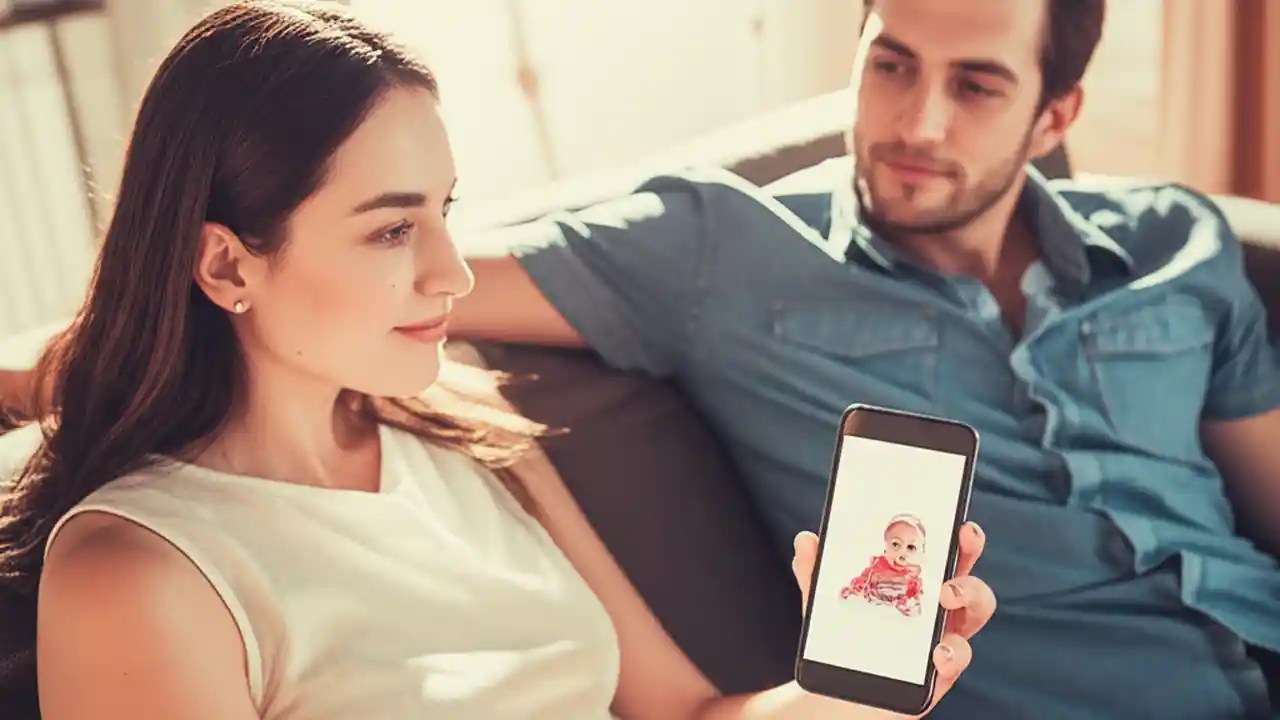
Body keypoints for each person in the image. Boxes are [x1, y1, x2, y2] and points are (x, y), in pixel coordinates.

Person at [0, 3, 1000, 719]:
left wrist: (846, 690)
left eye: (445, 213)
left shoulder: (471, 432)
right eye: (392, 232)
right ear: (224, 262)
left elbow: (686, 712)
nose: (452, 275)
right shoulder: (137, 574)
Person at [449, 0, 1280, 717]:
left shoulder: (1175, 241)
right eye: (892, 65)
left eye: (976, 86)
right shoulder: (719, 255)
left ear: (1054, 117)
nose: (918, 123)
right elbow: (415, 278)